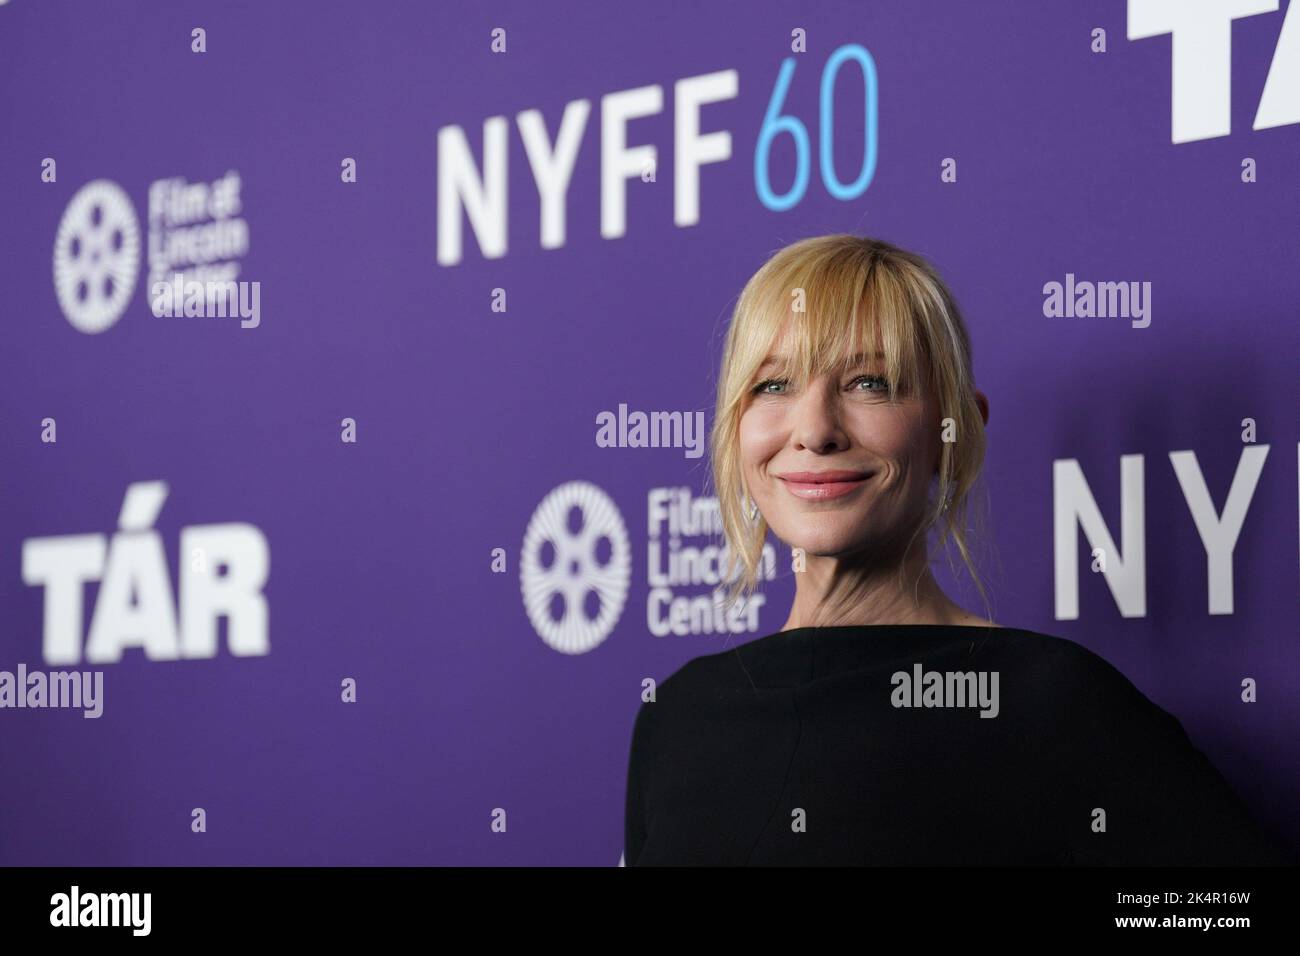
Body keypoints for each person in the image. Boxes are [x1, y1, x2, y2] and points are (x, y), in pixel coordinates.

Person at [623, 235, 1294, 866]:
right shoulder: (676, 717)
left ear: (955, 429)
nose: (816, 429)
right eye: (773, 385)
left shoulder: (1050, 701)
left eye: (869, 383)